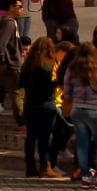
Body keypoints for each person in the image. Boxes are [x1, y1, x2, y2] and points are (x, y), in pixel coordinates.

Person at [63, 42, 97, 188]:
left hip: (78, 109)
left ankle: (85, 176)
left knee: (82, 144)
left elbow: (67, 93)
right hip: (96, 109)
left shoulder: (71, 70)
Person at [20, 37, 61, 178]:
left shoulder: (27, 64)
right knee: (44, 138)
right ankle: (45, 166)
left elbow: (20, 83)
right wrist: (58, 82)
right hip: (45, 104)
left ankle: (30, 167)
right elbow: (47, 86)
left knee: (31, 137)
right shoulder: (47, 65)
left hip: (30, 103)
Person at [0, 0, 26, 129]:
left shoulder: (10, 23)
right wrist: (1, 61)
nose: (21, 9)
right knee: (16, 95)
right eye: (19, 6)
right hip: (11, 65)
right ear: (11, 7)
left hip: (6, 65)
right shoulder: (9, 23)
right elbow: (0, 43)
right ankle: (21, 123)